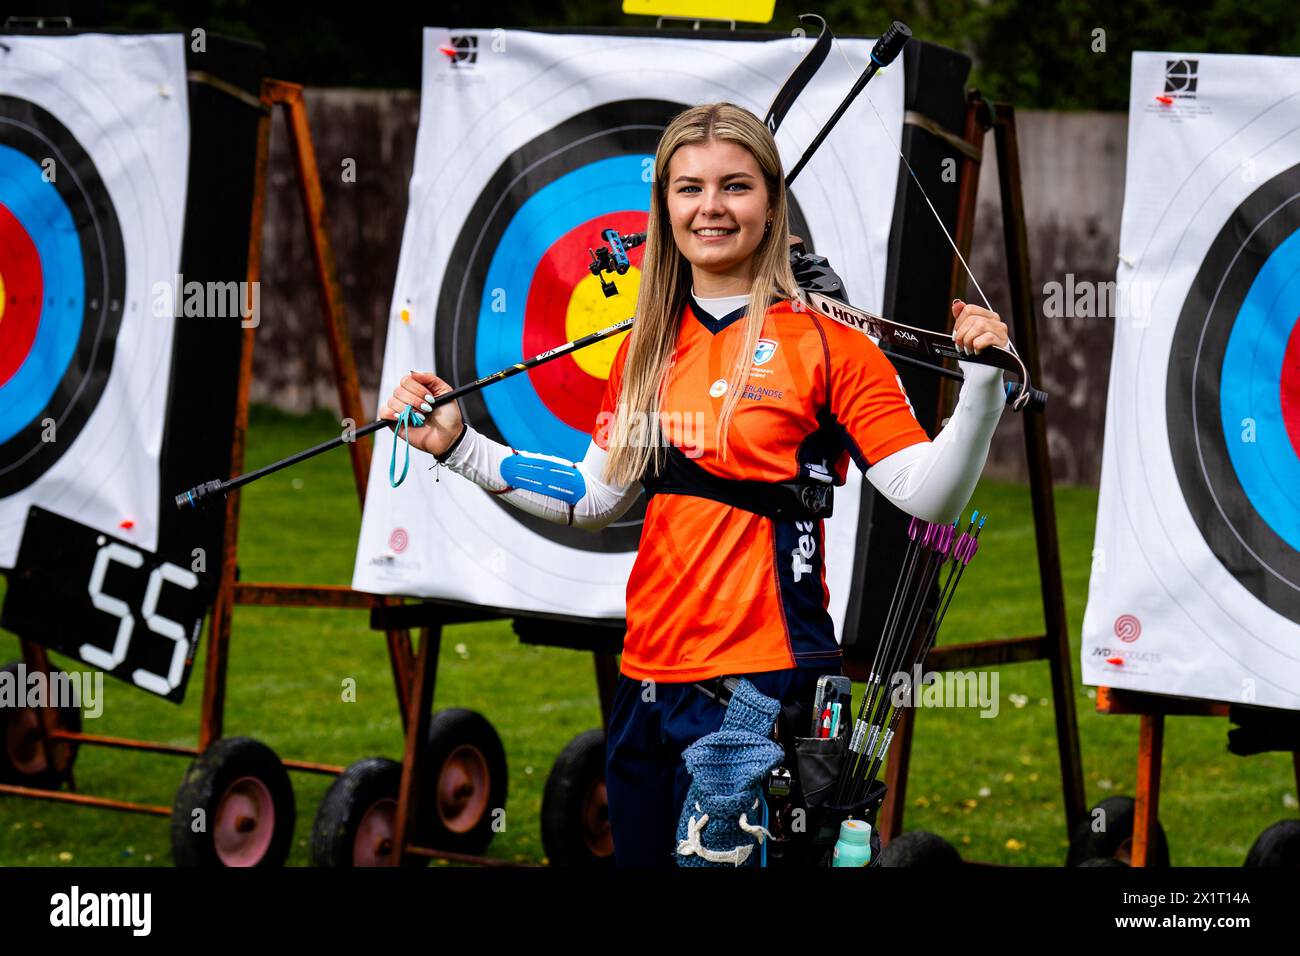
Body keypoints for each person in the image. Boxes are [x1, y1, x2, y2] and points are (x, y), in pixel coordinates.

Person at [380, 102, 1009, 867]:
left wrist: (982, 385)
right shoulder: (648, 347)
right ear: (665, 206)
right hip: (646, 680)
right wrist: (461, 446)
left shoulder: (828, 343)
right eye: (689, 188)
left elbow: (928, 493)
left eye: (736, 186)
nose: (711, 207)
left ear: (772, 203)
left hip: (762, 688)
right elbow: (595, 496)